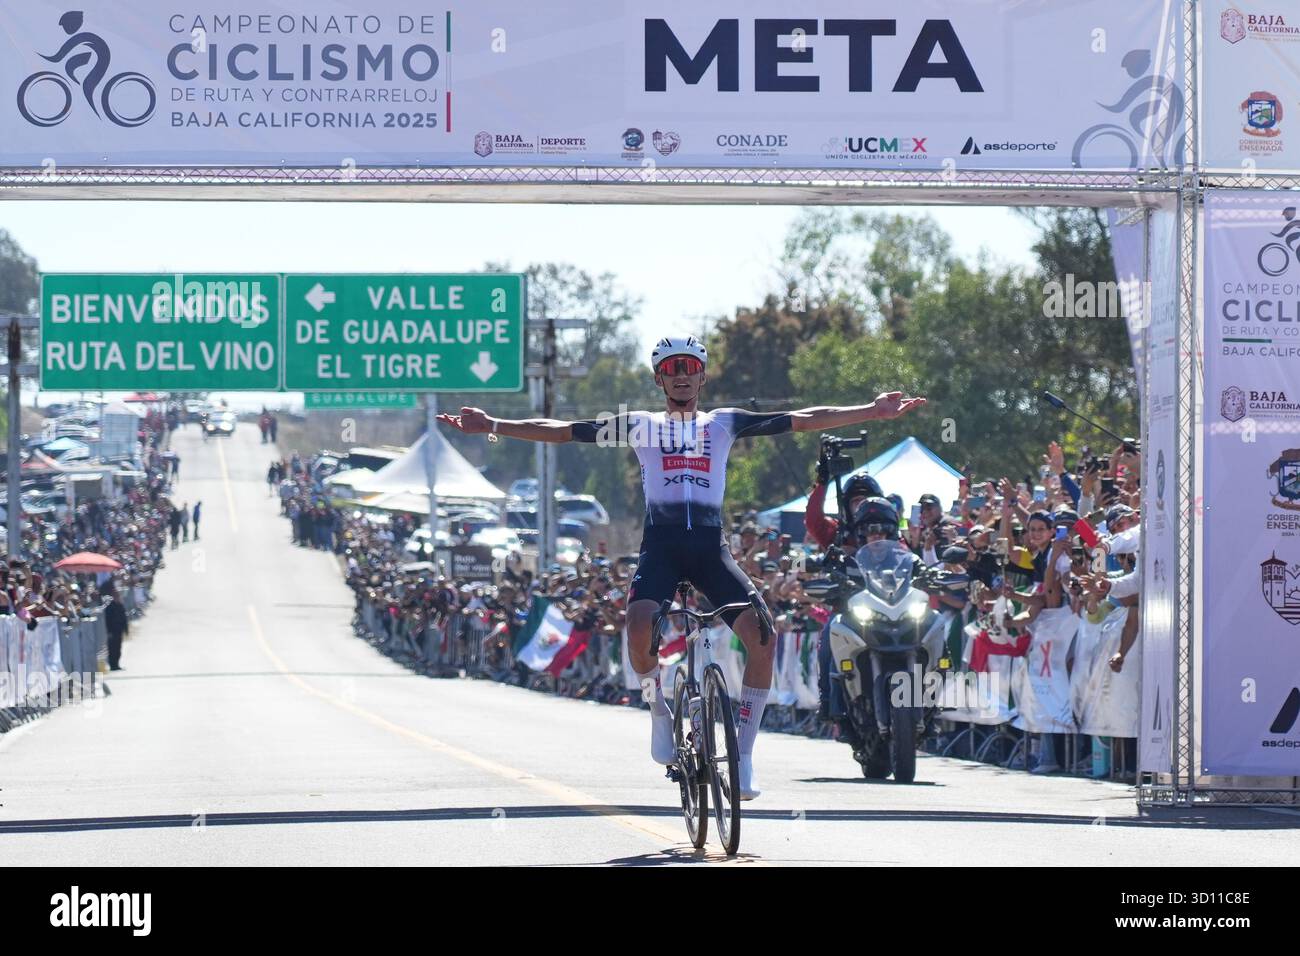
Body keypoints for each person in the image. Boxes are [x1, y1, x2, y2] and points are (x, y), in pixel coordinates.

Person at [437, 334, 925, 799]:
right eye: (672, 370)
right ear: (659, 379)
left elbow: (802, 418)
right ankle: (656, 707)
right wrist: (495, 425)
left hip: (711, 549)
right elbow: (562, 432)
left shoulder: (725, 423)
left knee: (763, 635)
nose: (682, 376)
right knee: (637, 624)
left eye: (690, 368)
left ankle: (746, 754)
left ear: (704, 376)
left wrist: (871, 411)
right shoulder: (640, 425)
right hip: (663, 549)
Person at [103, 585, 128, 671]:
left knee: (118, 648)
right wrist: (109, 632)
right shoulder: (109, 607)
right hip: (112, 631)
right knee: (112, 649)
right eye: (116, 595)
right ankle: (112, 665)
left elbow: (124, 618)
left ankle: (117, 664)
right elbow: (107, 621)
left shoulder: (120, 605)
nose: (117, 597)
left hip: (119, 631)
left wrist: (126, 629)